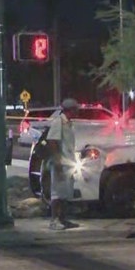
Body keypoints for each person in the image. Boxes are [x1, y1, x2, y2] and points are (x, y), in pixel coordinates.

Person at [45, 98, 79, 230]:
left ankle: (63, 219)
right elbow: (52, 142)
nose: (78, 112)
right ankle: (54, 220)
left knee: (65, 193)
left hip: (68, 163)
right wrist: (57, 161)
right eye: (76, 109)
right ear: (69, 110)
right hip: (60, 163)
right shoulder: (58, 122)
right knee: (57, 193)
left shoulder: (69, 123)